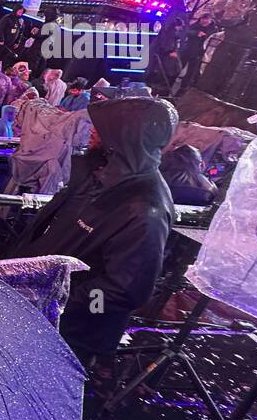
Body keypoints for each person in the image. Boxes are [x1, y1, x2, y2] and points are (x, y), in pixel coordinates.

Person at [11, 96, 178, 360]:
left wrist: (63, 302)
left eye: (102, 128)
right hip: (33, 308)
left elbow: (126, 291)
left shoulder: (144, 210)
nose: (92, 132)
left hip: (65, 333)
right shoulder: (99, 173)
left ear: (124, 137)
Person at [177, 15, 216, 95]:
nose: (204, 21)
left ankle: (183, 89)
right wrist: (196, 33)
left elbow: (212, 40)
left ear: (210, 20)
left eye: (207, 20)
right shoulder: (195, 25)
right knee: (178, 66)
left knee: (191, 73)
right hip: (188, 50)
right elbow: (186, 32)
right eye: (203, 19)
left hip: (199, 53)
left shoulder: (213, 29)